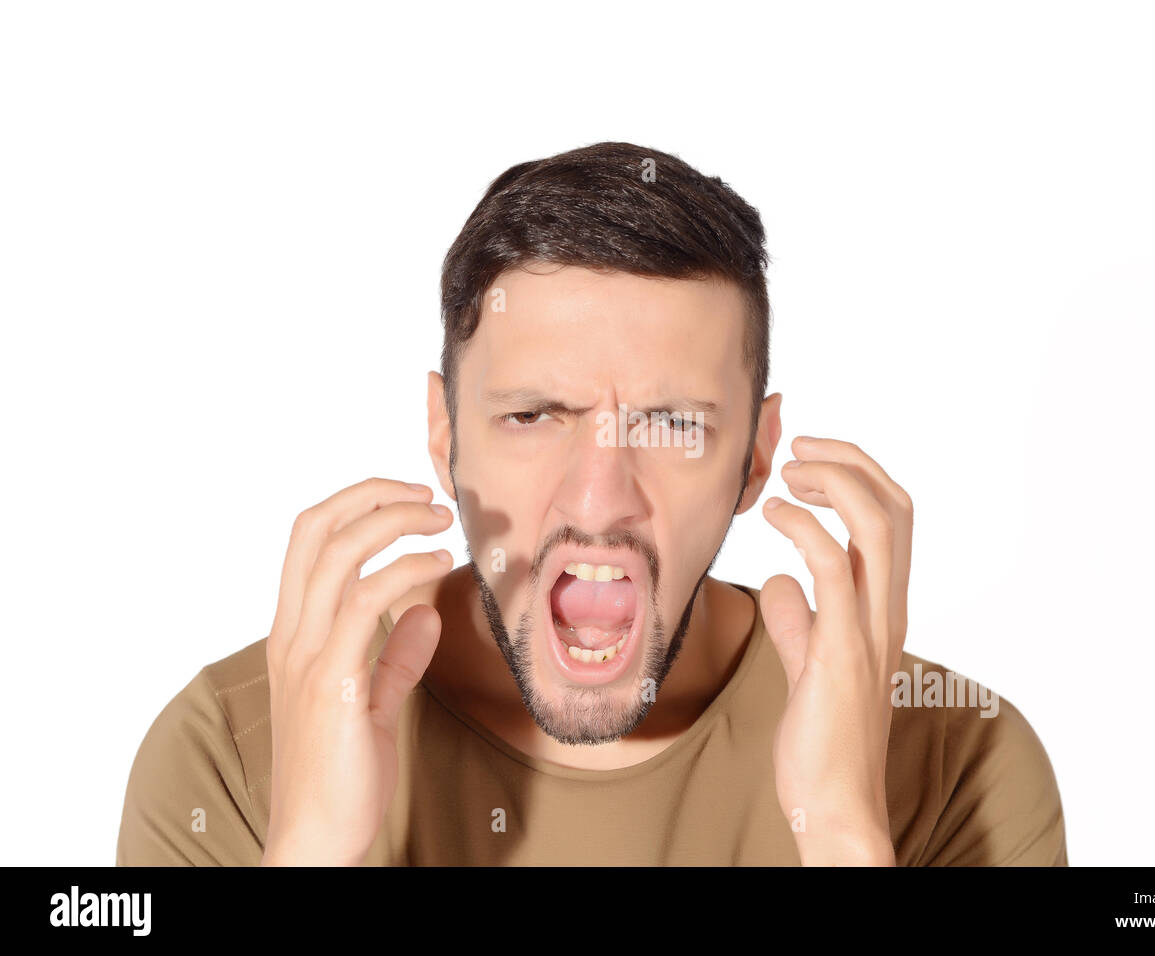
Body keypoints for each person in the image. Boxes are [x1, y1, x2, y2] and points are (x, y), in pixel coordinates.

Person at [116, 142, 1068, 866]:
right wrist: (314, 851)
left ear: (753, 459)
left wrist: (849, 832)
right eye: (532, 414)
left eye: (671, 424)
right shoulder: (230, 759)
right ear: (445, 438)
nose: (600, 498)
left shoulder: (957, 768)